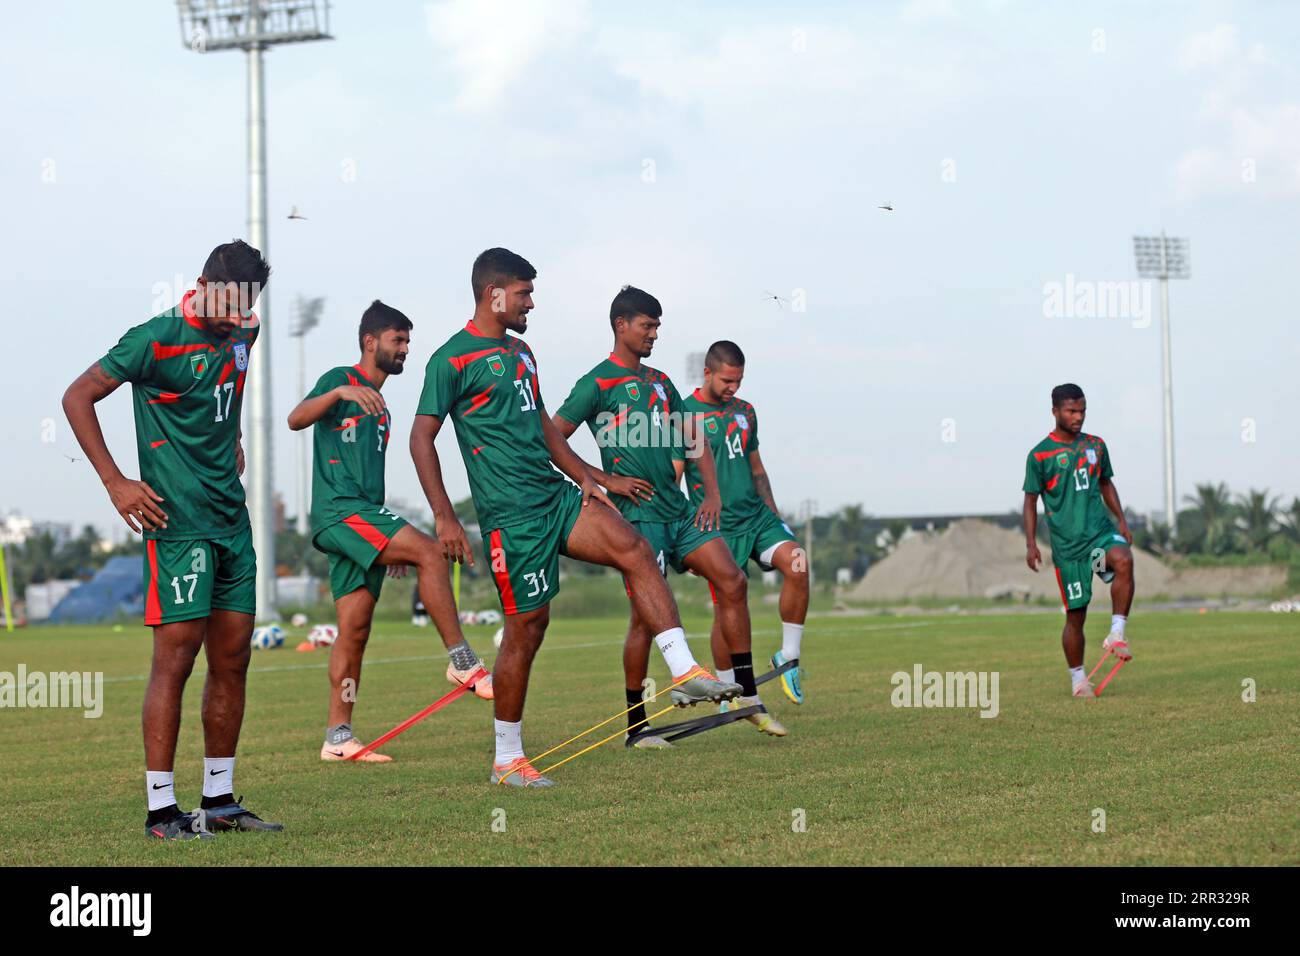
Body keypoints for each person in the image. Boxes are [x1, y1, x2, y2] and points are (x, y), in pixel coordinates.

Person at [409, 248, 740, 788]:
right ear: (495, 292)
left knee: (633, 549)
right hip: (510, 518)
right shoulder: (451, 359)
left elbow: (542, 424)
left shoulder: (523, 353)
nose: (531, 303)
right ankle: (507, 760)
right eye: (524, 293)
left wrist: (590, 475)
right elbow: (422, 437)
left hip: (556, 496)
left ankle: (683, 670)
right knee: (527, 628)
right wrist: (445, 518)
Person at [62, 239, 281, 839]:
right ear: (203, 284)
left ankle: (220, 802)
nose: (238, 321)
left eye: (247, 310)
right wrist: (115, 482)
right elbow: (76, 396)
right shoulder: (151, 340)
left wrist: (230, 433)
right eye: (229, 307)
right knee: (175, 661)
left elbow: (227, 386)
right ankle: (162, 811)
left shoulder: (244, 331)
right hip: (176, 523)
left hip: (231, 520)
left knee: (234, 658)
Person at [554, 287, 786, 745]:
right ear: (621, 325)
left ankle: (748, 700)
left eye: (658, 325)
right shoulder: (596, 383)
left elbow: (692, 436)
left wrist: (711, 493)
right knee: (644, 621)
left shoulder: (660, 381)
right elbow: (554, 437)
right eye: (648, 325)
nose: (655, 334)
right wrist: (601, 478)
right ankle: (637, 727)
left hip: (679, 512)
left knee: (733, 581)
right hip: (636, 519)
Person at [287, 300, 493, 764]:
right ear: (369, 341)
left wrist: (385, 545)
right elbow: (296, 419)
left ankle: (338, 737)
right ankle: (462, 662)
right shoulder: (341, 382)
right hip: (340, 514)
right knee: (432, 552)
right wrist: (338, 394)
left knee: (353, 632)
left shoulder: (381, 409)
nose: (404, 349)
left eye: (407, 342)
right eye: (397, 340)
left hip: (363, 520)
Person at [679, 341, 810, 705]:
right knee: (728, 609)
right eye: (726, 381)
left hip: (757, 516)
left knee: (798, 562)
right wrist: (684, 538)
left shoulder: (745, 412)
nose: (733, 388)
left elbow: (757, 469)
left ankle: (789, 656)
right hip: (716, 529)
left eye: (738, 381)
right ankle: (726, 687)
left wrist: (774, 514)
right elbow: (674, 478)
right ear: (707, 373)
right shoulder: (684, 414)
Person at [1022, 383, 1135, 698]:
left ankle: (1117, 633)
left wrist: (1122, 520)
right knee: (1077, 614)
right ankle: (1078, 679)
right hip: (1070, 551)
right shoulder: (1040, 455)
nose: (1078, 417)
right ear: (1055, 411)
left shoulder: (1096, 446)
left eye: (1082, 410)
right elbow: (1030, 502)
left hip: (1097, 540)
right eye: (1071, 411)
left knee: (1122, 559)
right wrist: (1031, 544)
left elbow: (1105, 483)